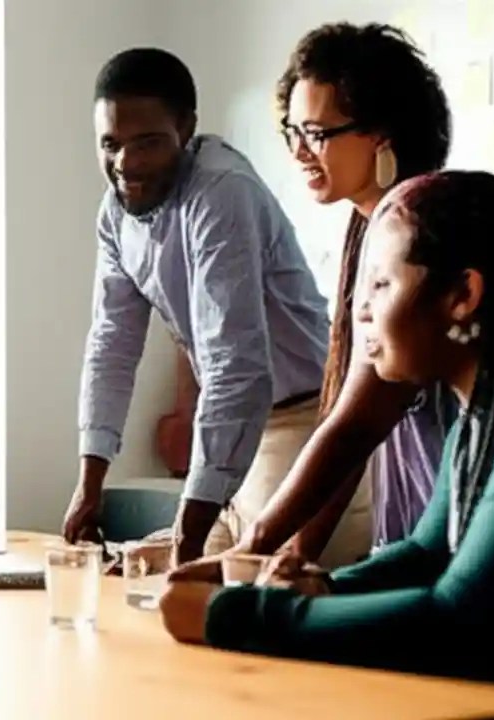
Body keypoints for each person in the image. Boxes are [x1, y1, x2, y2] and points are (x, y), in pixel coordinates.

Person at [160, 171, 494, 678]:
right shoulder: (484, 409)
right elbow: (425, 554)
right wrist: (324, 588)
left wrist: (231, 616)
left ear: (462, 294)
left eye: (381, 285)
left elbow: (469, 622)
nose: (361, 310)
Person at [60, 48, 368, 567]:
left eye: (147, 142)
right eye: (110, 144)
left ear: (186, 128)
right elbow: (111, 344)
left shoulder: (221, 192)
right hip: (229, 429)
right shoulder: (116, 212)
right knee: (136, 574)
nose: (126, 163)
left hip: (300, 426)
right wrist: (89, 483)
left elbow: (236, 367)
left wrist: (189, 535)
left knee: (246, 591)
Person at [209, 23, 455, 563]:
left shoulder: (419, 231)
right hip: (419, 535)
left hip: (460, 533)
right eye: (292, 132)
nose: (299, 152)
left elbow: (354, 428)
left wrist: (260, 550)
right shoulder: (371, 228)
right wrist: (293, 557)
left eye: (317, 134)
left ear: (381, 133)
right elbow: (350, 426)